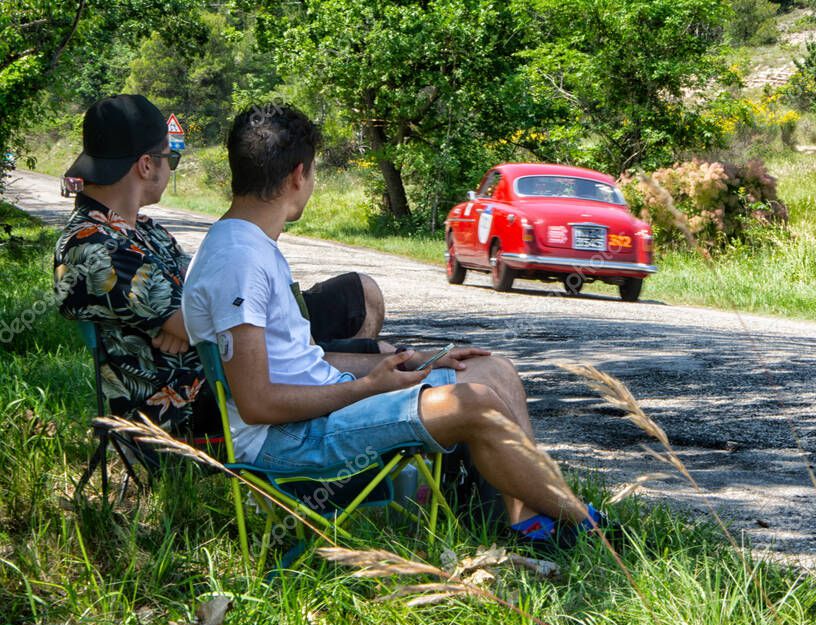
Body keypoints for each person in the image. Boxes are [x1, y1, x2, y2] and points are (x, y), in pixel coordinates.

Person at [182, 103, 610, 547]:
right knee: (474, 402)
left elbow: (302, 360)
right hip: (287, 442)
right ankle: (588, 524)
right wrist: (365, 388)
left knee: (491, 370)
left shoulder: (249, 244)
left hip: (315, 415)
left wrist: (415, 360)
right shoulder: (240, 261)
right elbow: (257, 404)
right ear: (298, 175)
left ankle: (525, 521)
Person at [53, 94, 384, 436]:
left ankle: (347, 441)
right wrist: (184, 326)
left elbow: (197, 314)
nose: (172, 167)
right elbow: (208, 326)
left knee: (360, 309)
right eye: (172, 157)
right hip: (188, 405)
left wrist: (180, 326)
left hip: (223, 372)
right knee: (371, 352)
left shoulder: (143, 230)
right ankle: (335, 448)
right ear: (147, 165)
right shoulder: (93, 245)